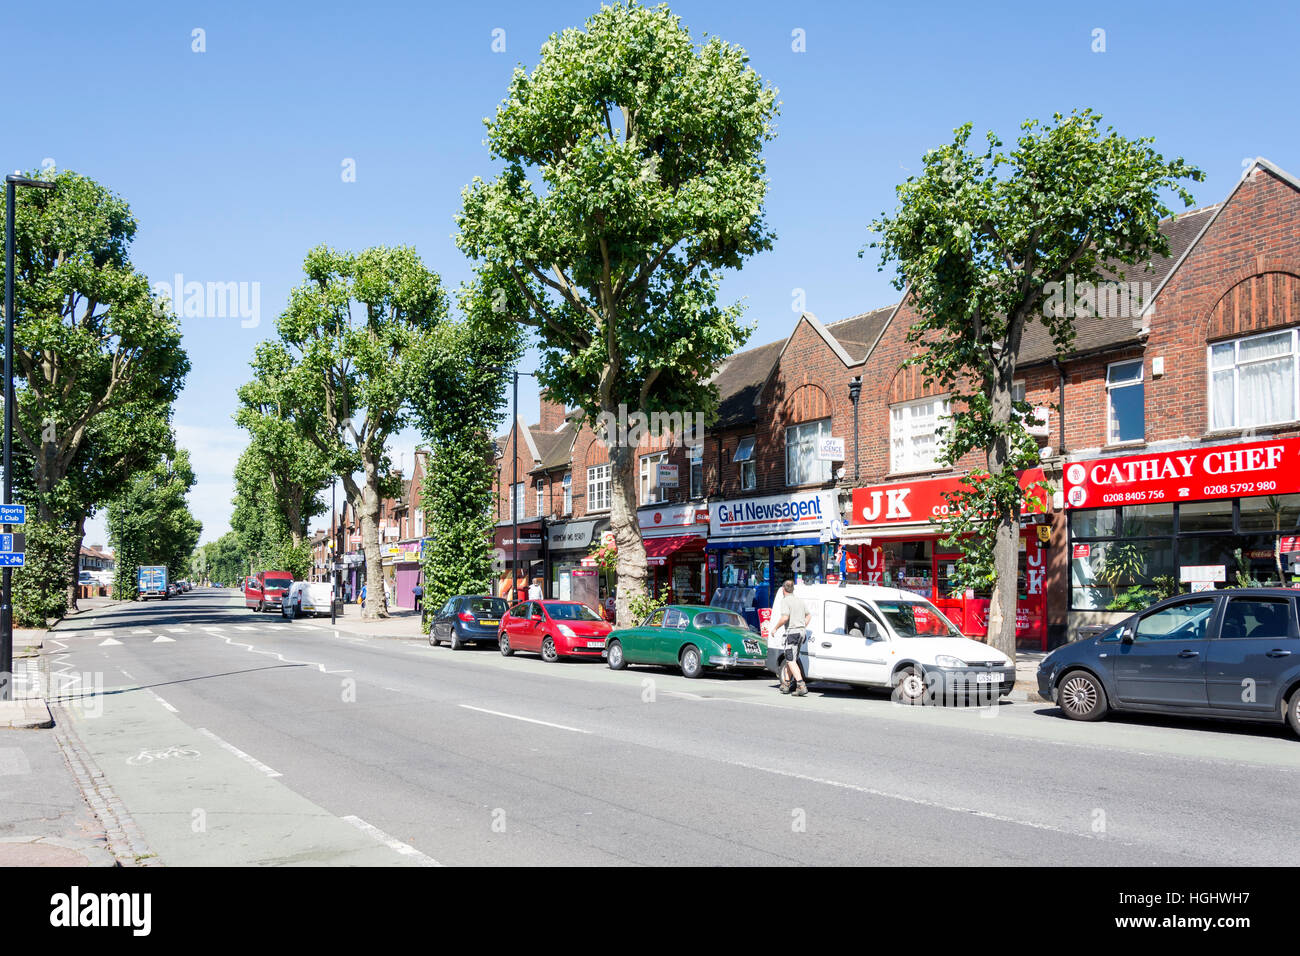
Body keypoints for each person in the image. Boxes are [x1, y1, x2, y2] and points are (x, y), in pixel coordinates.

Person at [772, 578, 810, 697]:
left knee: (790, 659)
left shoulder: (785, 601)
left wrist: (775, 628)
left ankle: (801, 685)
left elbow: (785, 618)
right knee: (791, 658)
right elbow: (808, 615)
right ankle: (786, 684)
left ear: (783, 589)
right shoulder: (799, 600)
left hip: (792, 633)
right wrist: (802, 626)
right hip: (801, 633)